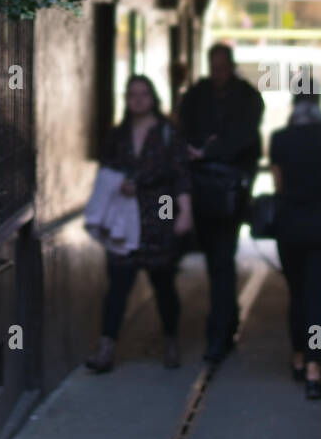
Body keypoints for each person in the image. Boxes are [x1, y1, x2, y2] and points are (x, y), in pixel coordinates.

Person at [85, 75, 193, 373]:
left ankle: (170, 340)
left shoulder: (168, 132)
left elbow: (181, 175)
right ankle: (106, 348)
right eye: (132, 94)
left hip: (159, 212)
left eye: (143, 94)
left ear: (153, 97)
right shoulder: (117, 135)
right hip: (124, 217)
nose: (138, 99)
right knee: (118, 285)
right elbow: (105, 171)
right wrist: (118, 184)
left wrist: (184, 212)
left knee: (163, 284)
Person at [178, 43, 264, 364]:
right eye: (213, 69)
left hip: (230, 193)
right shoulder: (198, 94)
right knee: (216, 262)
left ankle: (219, 334)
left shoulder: (247, 97)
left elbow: (245, 138)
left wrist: (210, 151)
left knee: (222, 260)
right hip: (201, 190)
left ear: (231, 66)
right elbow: (183, 129)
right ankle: (226, 322)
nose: (218, 75)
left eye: (222, 69)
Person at [269, 88, 321, 400]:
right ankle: (314, 367)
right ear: (319, 103)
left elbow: (278, 184)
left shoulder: (280, 138)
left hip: (290, 227)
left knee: (297, 295)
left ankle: (298, 358)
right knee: (316, 299)